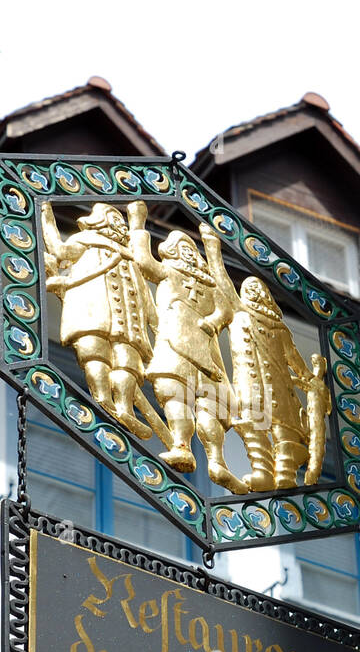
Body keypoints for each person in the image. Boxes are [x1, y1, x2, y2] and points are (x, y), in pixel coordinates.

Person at [126, 201, 247, 494]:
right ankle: (182, 446)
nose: (188, 254)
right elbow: (142, 260)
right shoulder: (167, 271)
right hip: (175, 345)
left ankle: (217, 461)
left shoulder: (208, 284)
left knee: (209, 407)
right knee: (175, 395)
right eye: (181, 249)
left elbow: (228, 309)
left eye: (191, 251)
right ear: (169, 252)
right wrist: (137, 222)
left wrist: (214, 321)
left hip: (206, 356)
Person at [40, 201, 166, 443]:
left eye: (121, 221)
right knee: (94, 353)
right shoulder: (86, 241)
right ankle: (104, 400)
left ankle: (125, 409)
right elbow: (59, 251)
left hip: (129, 320)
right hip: (93, 309)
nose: (119, 225)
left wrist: (156, 325)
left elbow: (146, 296)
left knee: (128, 364)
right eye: (113, 219)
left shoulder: (130, 255)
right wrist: (47, 217)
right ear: (98, 221)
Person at [228, 277, 330, 490]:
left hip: (279, 388)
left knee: (285, 431)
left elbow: (293, 358)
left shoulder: (279, 329)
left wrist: (309, 378)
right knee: (254, 428)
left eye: (258, 288)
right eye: (249, 289)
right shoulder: (238, 314)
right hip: (251, 384)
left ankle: (286, 474)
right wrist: (213, 248)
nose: (255, 293)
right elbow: (224, 285)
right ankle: (262, 474)